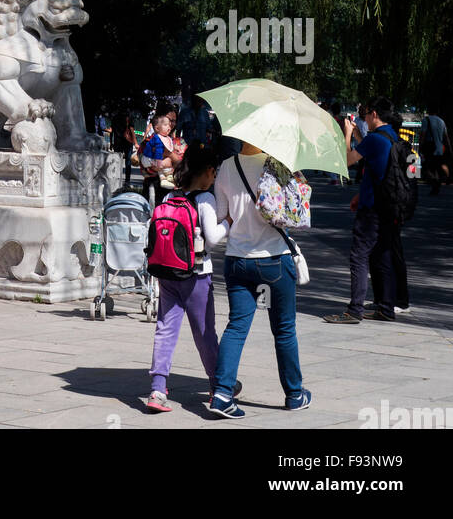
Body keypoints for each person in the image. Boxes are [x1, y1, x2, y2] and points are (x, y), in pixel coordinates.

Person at [209, 140, 310, 417]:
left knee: (237, 327)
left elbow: (221, 215)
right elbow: (293, 212)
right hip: (274, 259)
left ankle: (221, 394)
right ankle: (294, 394)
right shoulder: (278, 164)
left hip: (237, 259)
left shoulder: (227, 167)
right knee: (284, 329)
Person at [147, 146, 231, 413]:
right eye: (214, 173)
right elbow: (214, 238)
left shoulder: (170, 195)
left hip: (167, 273)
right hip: (197, 275)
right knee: (204, 333)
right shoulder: (205, 199)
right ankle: (218, 386)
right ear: (208, 172)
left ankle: (158, 389)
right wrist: (228, 220)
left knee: (165, 329)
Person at [323, 95, 399, 324]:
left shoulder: (375, 139)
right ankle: (386, 307)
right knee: (381, 255)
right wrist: (358, 135)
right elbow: (375, 164)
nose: (364, 117)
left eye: (365, 114)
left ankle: (354, 310)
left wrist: (346, 135)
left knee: (359, 256)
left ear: (374, 114)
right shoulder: (390, 136)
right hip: (388, 206)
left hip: (371, 210)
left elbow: (346, 161)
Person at [370, 114, 412, 316]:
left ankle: (400, 300)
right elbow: (415, 176)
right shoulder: (407, 148)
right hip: (399, 202)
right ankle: (383, 298)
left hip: (392, 203)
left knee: (392, 251)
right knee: (382, 251)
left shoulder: (393, 146)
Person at [139, 113, 186, 206]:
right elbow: (145, 169)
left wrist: (169, 154)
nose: (170, 124)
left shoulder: (180, 142)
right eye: (168, 121)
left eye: (173, 121)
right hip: (153, 190)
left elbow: (183, 167)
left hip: (174, 192)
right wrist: (166, 164)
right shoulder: (148, 142)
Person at [421, 105, 450, 195]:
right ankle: (444, 179)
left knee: (426, 167)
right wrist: (449, 147)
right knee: (438, 165)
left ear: (429, 111)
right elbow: (446, 136)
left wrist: (421, 146)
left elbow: (423, 134)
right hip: (440, 147)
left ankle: (435, 182)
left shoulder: (426, 120)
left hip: (430, 147)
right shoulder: (442, 121)